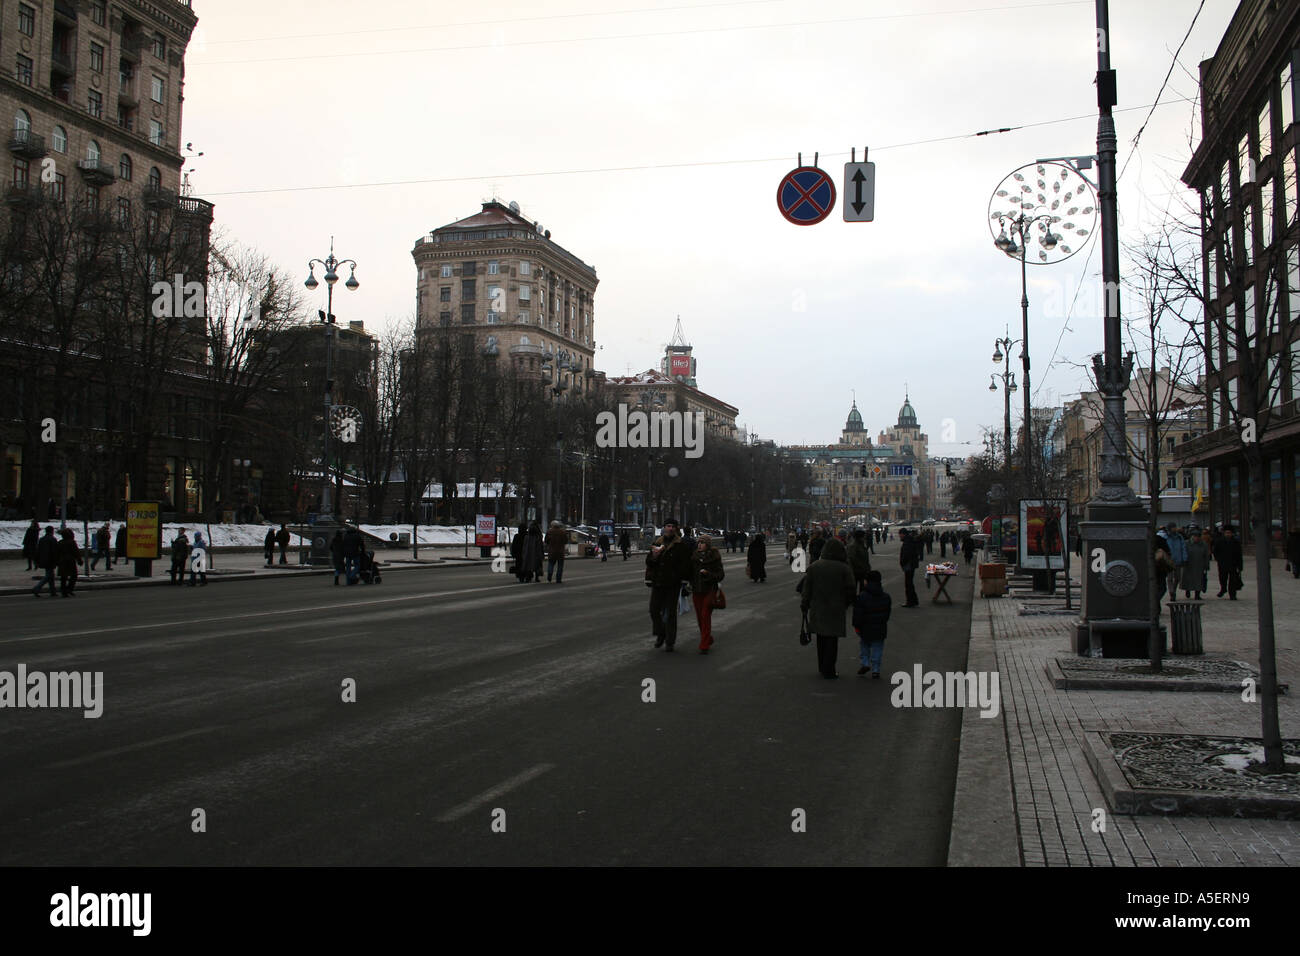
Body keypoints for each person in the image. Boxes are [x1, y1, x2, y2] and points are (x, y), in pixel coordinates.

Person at [800, 537, 856, 679]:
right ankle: (829, 669)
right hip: (836, 607)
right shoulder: (844, 568)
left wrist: (805, 604)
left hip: (818, 607)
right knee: (832, 639)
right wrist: (847, 603)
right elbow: (851, 589)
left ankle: (822, 666)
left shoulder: (814, 566)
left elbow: (807, 588)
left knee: (821, 638)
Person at [646, 518, 692, 651]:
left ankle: (670, 641)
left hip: (672, 584)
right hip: (658, 583)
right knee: (654, 610)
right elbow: (649, 562)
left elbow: (686, 564)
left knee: (670, 613)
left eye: (672, 526)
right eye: (668, 526)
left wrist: (681, 578)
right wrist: (654, 556)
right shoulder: (658, 542)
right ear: (664, 528)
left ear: (676, 529)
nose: (670, 528)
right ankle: (661, 633)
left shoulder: (680, 545)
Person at [853, 569, 893, 678]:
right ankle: (876, 668)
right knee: (877, 647)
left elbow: (858, 614)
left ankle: (865, 662)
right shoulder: (886, 597)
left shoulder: (862, 596)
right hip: (880, 627)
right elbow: (887, 614)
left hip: (865, 626)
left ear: (867, 582)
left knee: (864, 645)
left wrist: (856, 625)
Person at [690, 533, 725, 654]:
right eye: (698, 543)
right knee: (700, 618)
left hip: (709, 590)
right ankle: (708, 638)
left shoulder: (714, 557)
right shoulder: (693, 557)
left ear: (708, 545)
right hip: (696, 591)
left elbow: (720, 575)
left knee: (705, 615)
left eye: (702, 543)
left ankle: (704, 644)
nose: (699, 545)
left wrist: (708, 574)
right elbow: (689, 573)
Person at [1215, 525, 1244, 599]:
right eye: (1226, 533)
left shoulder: (1236, 542)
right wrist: (1218, 559)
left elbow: (1239, 555)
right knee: (1222, 578)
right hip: (1223, 563)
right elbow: (1215, 551)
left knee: (1233, 580)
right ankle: (1223, 588)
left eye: (1229, 533)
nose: (1228, 534)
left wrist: (1240, 566)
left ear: (1232, 533)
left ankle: (1232, 594)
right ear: (1224, 533)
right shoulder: (1219, 541)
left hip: (1233, 564)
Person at [1181, 524, 1209, 600]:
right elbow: (1183, 553)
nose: (1196, 538)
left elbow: (1206, 555)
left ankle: (1197, 594)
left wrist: (1206, 565)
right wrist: (1184, 561)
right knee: (1188, 579)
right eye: (1194, 536)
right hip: (1189, 564)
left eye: (1197, 536)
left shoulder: (1203, 544)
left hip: (1199, 565)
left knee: (1199, 580)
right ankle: (1187, 590)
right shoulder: (1186, 543)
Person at [31, 526, 57, 597]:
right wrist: (56, 560)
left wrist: (36, 560)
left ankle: (53, 591)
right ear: (52, 531)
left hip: (43, 560)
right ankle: (37, 588)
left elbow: (38, 550)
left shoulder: (42, 539)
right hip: (50, 560)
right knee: (48, 576)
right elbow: (54, 551)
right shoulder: (53, 539)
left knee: (50, 575)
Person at [899, 529, 922, 607]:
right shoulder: (910, 540)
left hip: (909, 565)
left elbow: (906, 554)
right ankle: (913, 601)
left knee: (908, 584)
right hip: (911, 564)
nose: (899, 536)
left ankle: (910, 601)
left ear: (903, 534)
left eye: (900, 534)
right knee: (910, 583)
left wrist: (902, 562)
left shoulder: (907, 542)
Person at [846, 527, 872, 592]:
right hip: (856, 571)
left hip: (862, 571)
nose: (864, 538)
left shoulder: (862, 545)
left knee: (863, 589)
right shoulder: (853, 546)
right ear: (859, 537)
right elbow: (852, 559)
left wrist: (867, 568)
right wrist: (863, 567)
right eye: (863, 536)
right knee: (853, 589)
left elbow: (865, 558)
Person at [57, 528, 82, 596]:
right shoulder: (72, 542)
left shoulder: (60, 542)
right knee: (74, 576)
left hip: (62, 561)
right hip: (70, 561)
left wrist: (57, 561)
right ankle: (69, 589)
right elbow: (76, 552)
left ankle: (63, 591)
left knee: (63, 577)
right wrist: (79, 560)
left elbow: (57, 553)